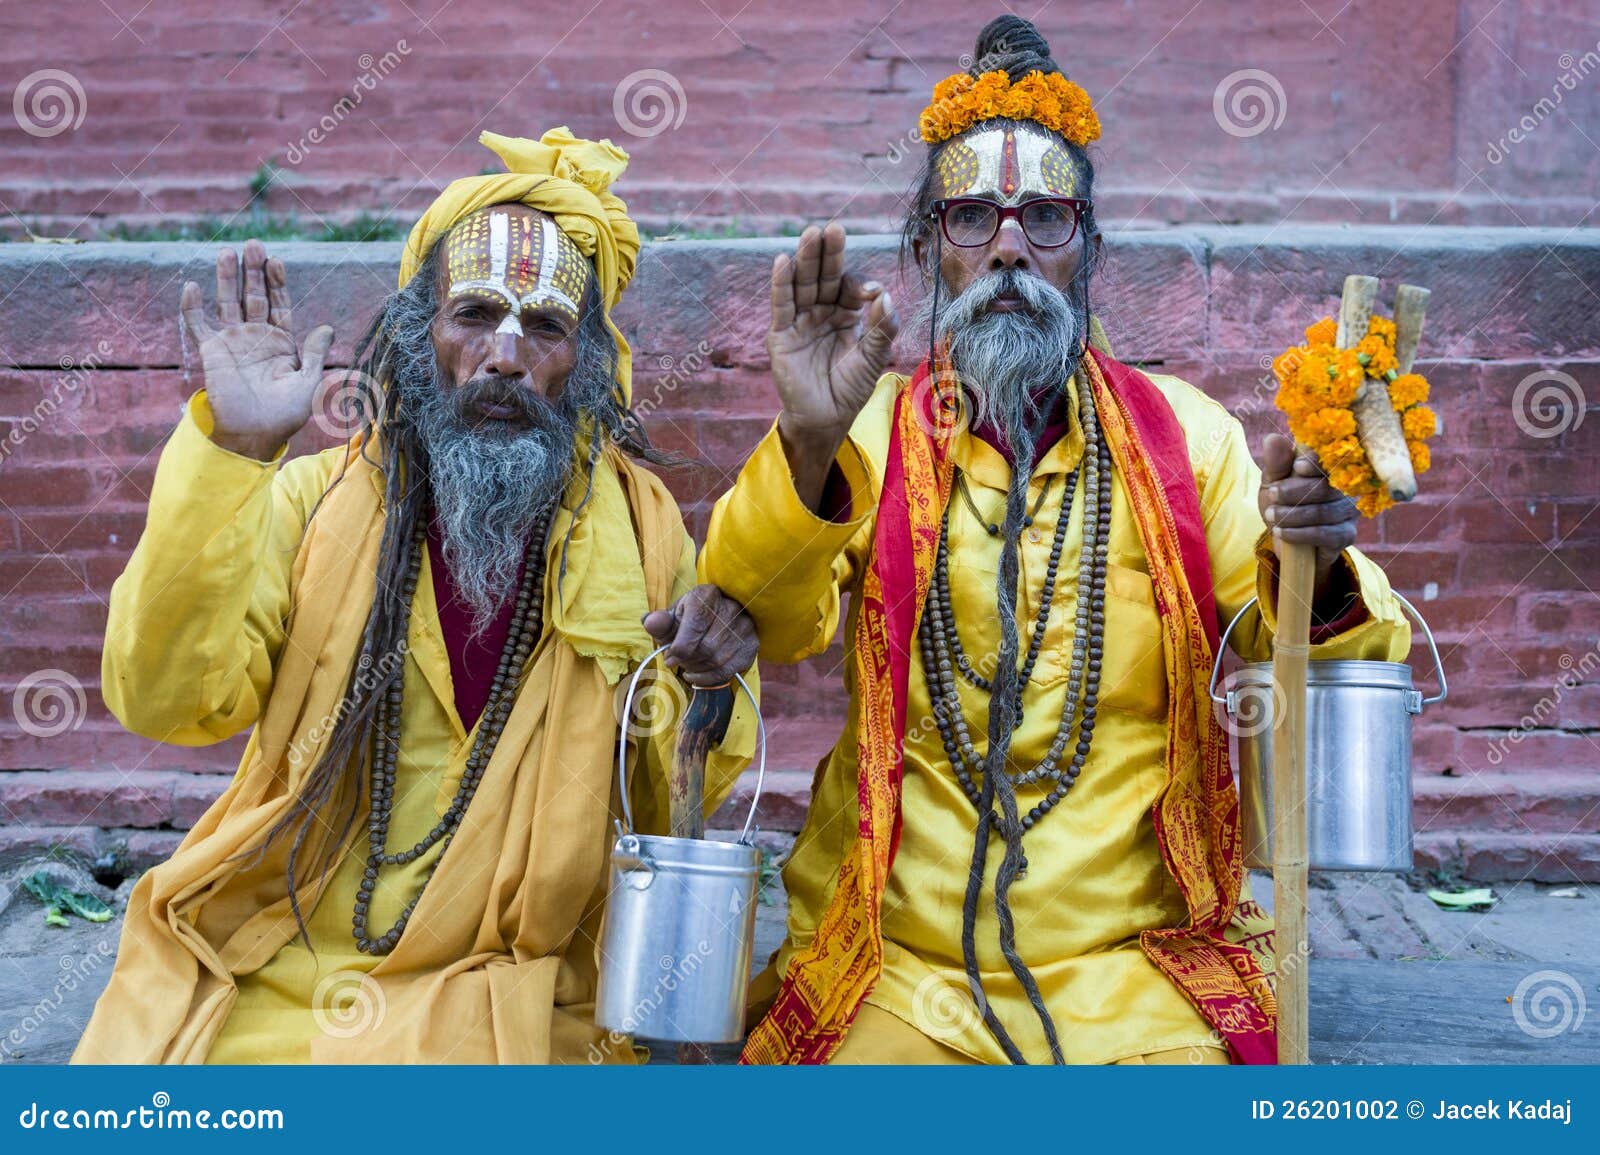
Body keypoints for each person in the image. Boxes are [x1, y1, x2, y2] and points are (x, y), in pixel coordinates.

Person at [700, 18, 1411, 1065]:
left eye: (1042, 216)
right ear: (926, 247)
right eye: (971, 216)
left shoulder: (1188, 437)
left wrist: (1317, 557)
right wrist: (805, 442)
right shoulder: (865, 433)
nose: (1005, 247)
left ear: (1084, 249)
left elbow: (1282, 645)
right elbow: (758, 618)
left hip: (1131, 968)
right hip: (903, 968)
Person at [74, 128, 758, 1064]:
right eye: (475, 312)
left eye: (546, 326)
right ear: (417, 335)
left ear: (588, 361)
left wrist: (708, 684)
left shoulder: (642, 538)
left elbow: (691, 783)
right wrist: (232, 453)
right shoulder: (312, 502)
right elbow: (165, 701)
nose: (505, 357)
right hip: (289, 971)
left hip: (511, 989)